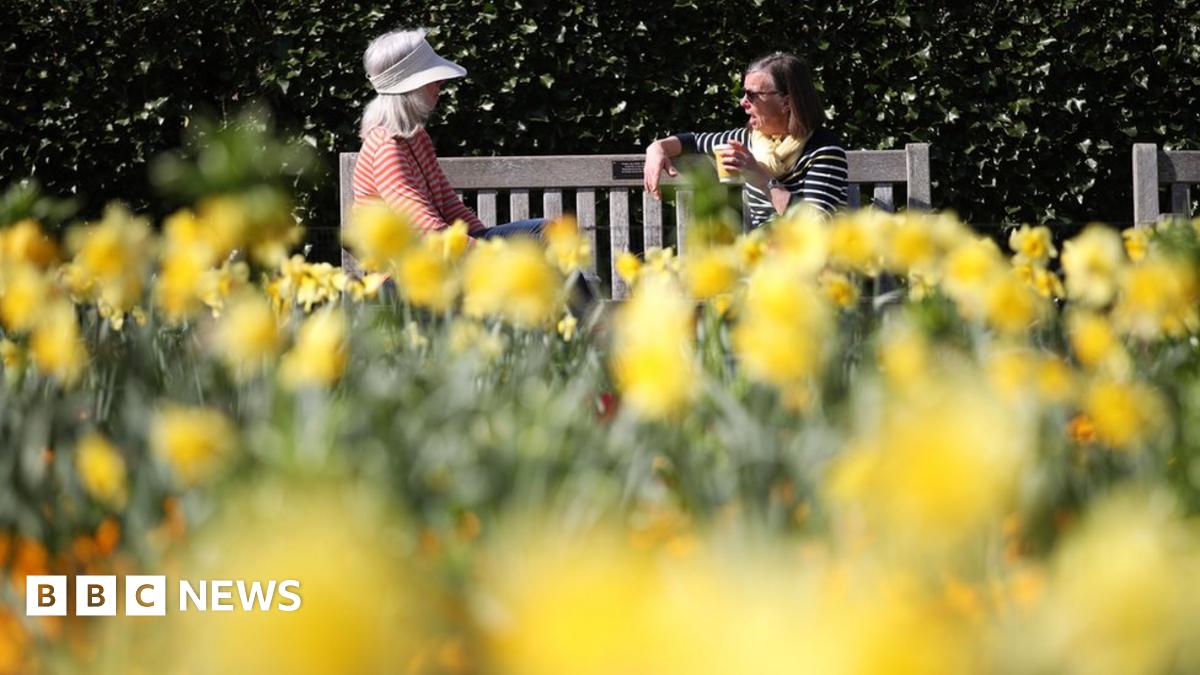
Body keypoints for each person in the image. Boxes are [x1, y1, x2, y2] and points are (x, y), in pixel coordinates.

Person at [353, 28, 543, 239]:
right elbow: (425, 228)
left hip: (439, 249)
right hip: (409, 258)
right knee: (542, 234)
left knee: (546, 231)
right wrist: (486, 253)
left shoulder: (417, 137)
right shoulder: (386, 148)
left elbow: (450, 205)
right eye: (434, 78)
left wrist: (482, 237)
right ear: (411, 88)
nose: (441, 83)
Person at [643, 52, 848, 229]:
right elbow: (693, 141)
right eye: (744, 93)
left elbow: (816, 226)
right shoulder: (748, 139)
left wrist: (760, 177)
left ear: (786, 102)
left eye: (752, 95)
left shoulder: (823, 148)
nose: (743, 102)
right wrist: (657, 148)